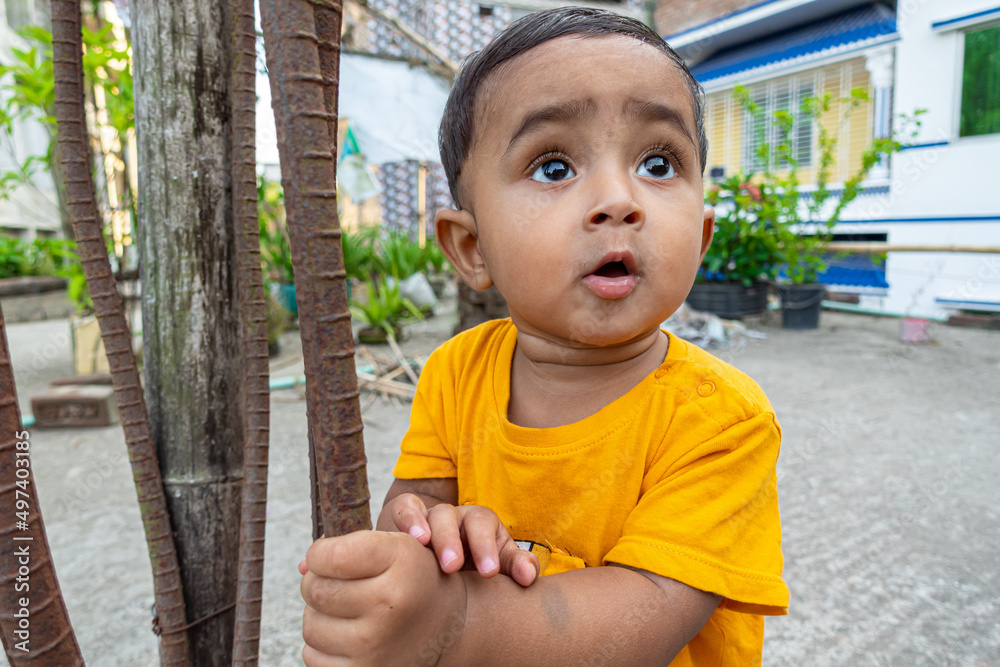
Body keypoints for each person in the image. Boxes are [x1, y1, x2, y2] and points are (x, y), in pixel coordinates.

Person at [298, 7, 789, 665]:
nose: (619, 199)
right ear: (471, 247)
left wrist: (459, 618)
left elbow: (647, 612)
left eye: (659, 161)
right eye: (555, 167)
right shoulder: (455, 371)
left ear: (700, 237)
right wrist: (426, 538)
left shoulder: (723, 420)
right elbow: (411, 507)